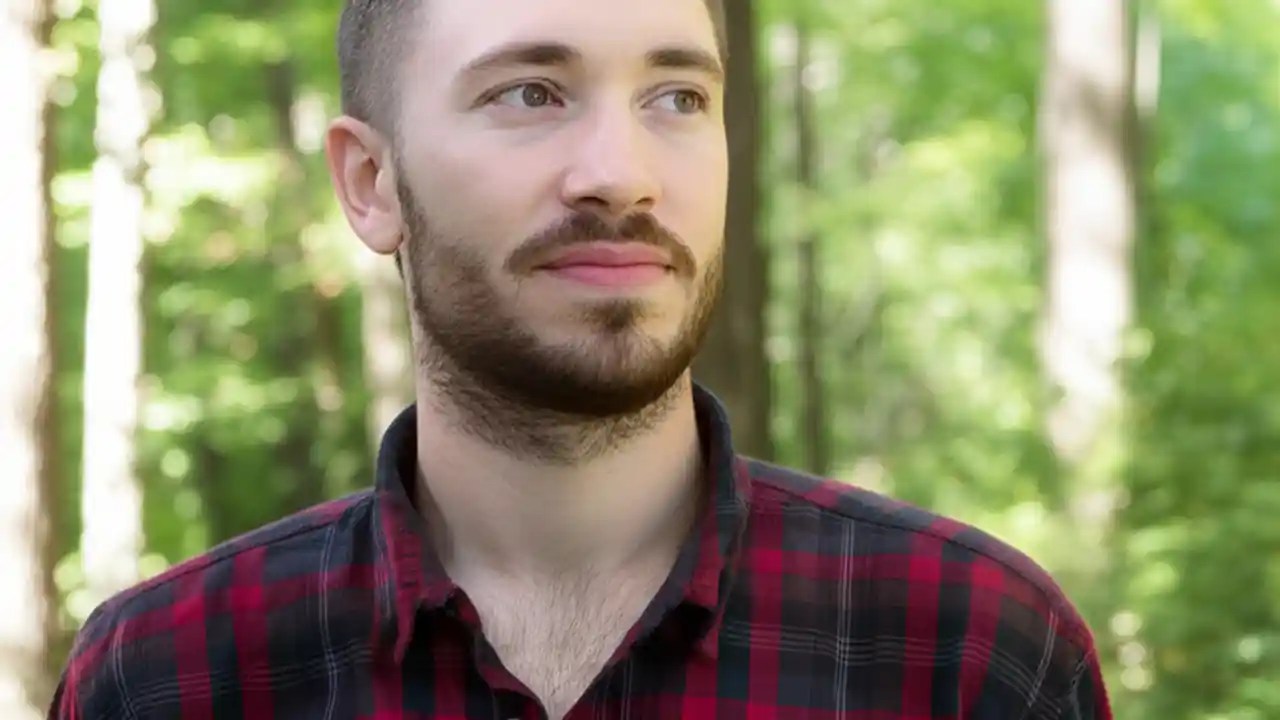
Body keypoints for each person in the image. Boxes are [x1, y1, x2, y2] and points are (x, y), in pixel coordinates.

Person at [50, 0, 1113, 717]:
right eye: (531, 93)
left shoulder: (974, 654)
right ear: (370, 184)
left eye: (676, 99)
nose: (621, 175)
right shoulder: (168, 678)